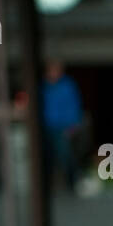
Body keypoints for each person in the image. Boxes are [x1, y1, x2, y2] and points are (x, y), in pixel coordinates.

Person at [41, 60, 83, 192]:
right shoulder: (43, 86)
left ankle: (73, 183)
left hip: (63, 127)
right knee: (47, 157)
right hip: (46, 127)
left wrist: (73, 126)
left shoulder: (67, 86)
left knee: (66, 156)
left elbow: (74, 106)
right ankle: (46, 186)